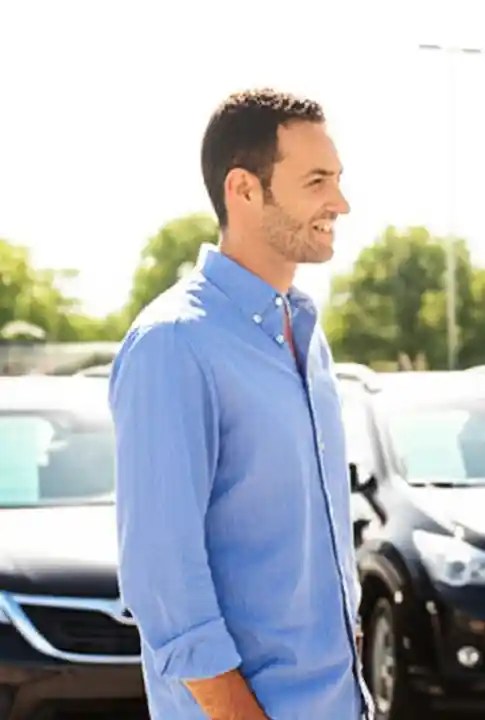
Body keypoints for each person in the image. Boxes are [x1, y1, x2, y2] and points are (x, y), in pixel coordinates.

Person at [110, 88, 369, 719]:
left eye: (337, 179)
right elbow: (161, 576)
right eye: (316, 181)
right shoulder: (174, 343)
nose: (340, 202)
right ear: (244, 190)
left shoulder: (306, 336)